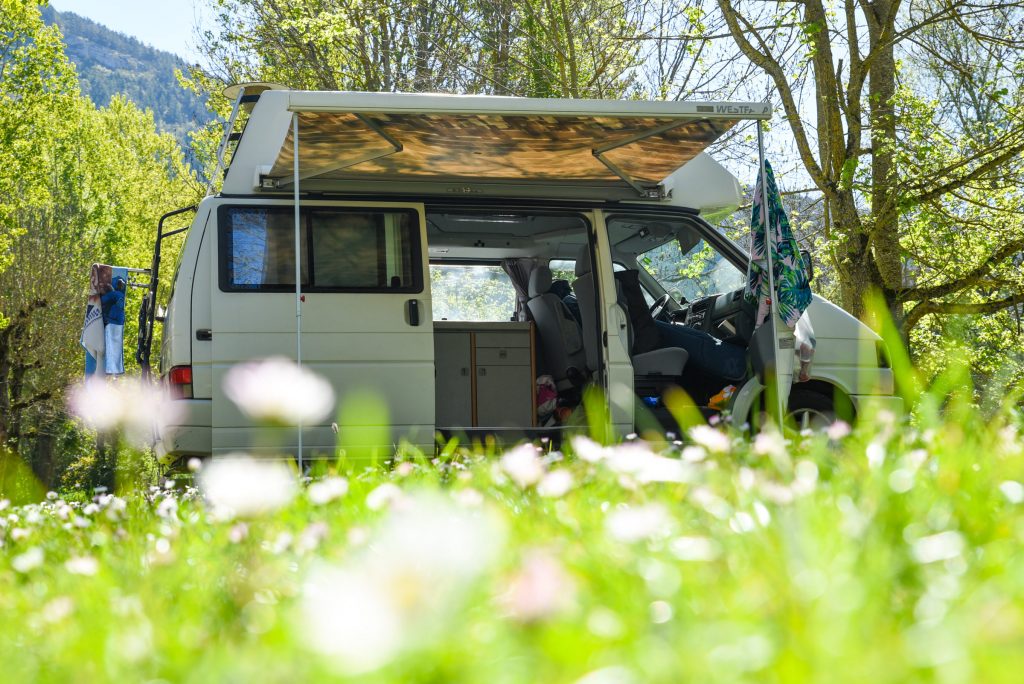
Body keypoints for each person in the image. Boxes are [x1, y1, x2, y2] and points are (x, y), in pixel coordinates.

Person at [101, 276, 126, 376]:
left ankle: (109, 369)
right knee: (117, 347)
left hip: (111, 323)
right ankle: (117, 369)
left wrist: (108, 291)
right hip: (119, 324)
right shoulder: (122, 295)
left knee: (109, 346)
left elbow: (102, 300)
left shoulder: (114, 294)